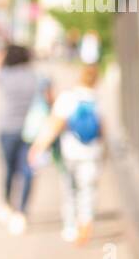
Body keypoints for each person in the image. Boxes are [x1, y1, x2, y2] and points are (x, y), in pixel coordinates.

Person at [28, 63, 105, 245]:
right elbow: (103, 130)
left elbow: (54, 125)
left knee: (69, 190)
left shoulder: (68, 98)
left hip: (70, 152)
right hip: (92, 153)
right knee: (87, 190)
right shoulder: (98, 101)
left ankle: (70, 227)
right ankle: (85, 222)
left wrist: (38, 147)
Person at [0, 44, 41, 235]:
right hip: (31, 132)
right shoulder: (36, 78)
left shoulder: (6, 75)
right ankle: (22, 213)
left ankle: (6, 204)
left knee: (9, 169)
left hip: (7, 129)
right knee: (28, 171)